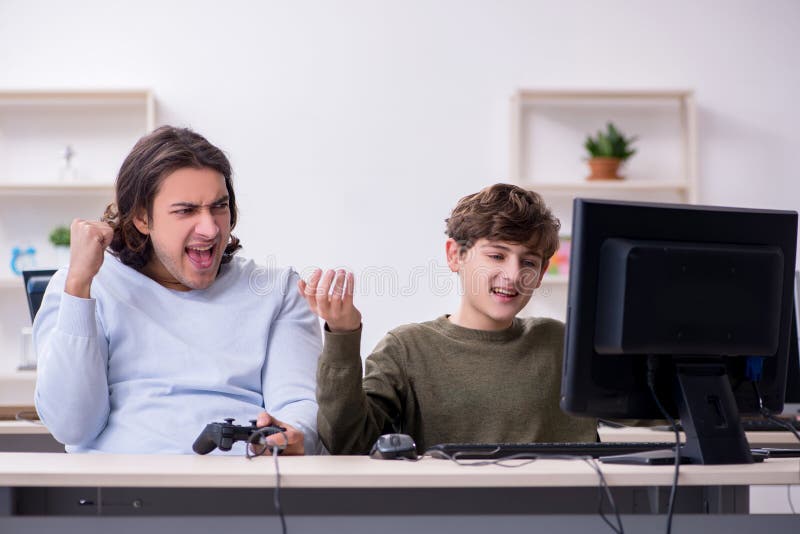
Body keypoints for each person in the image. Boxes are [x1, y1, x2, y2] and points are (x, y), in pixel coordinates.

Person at [34, 126, 322, 455]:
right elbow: (72, 425)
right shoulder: (90, 285)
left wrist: (294, 434)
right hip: (119, 494)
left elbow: (300, 406)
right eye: (186, 211)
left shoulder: (278, 291)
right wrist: (78, 286)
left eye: (219, 206)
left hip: (244, 489)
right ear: (142, 217)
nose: (211, 228)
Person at [303, 183, 597, 454]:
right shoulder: (406, 349)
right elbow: (347, 441)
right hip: (451, 507)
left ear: (542, 273)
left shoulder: (561, 342)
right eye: (497, 256)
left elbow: (640, 413)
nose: (513, 274)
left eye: (529, 262)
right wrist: (343, 333)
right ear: (455, 256)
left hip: (565, 506)